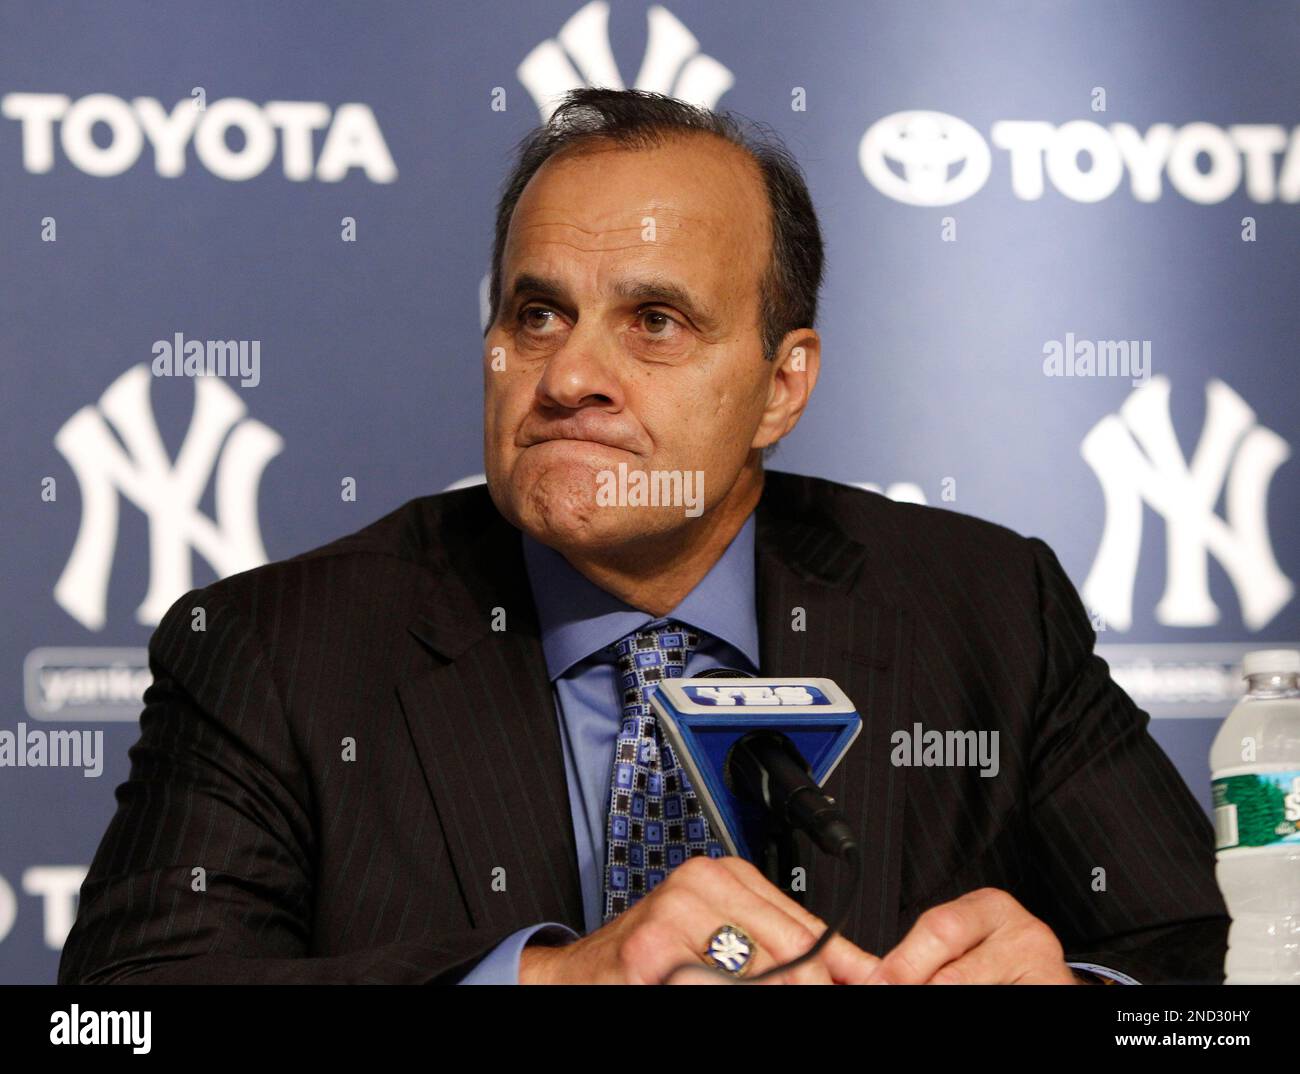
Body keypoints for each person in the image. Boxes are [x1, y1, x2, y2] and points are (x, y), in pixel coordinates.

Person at [58, 88, 1228, 986]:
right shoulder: (281, 647)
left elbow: (1205, 969)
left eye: (654, 321)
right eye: (537, 314)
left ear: (782, 382)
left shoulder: (982, 608)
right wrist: (548, 980)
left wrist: (1083, 991)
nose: (569, 375)